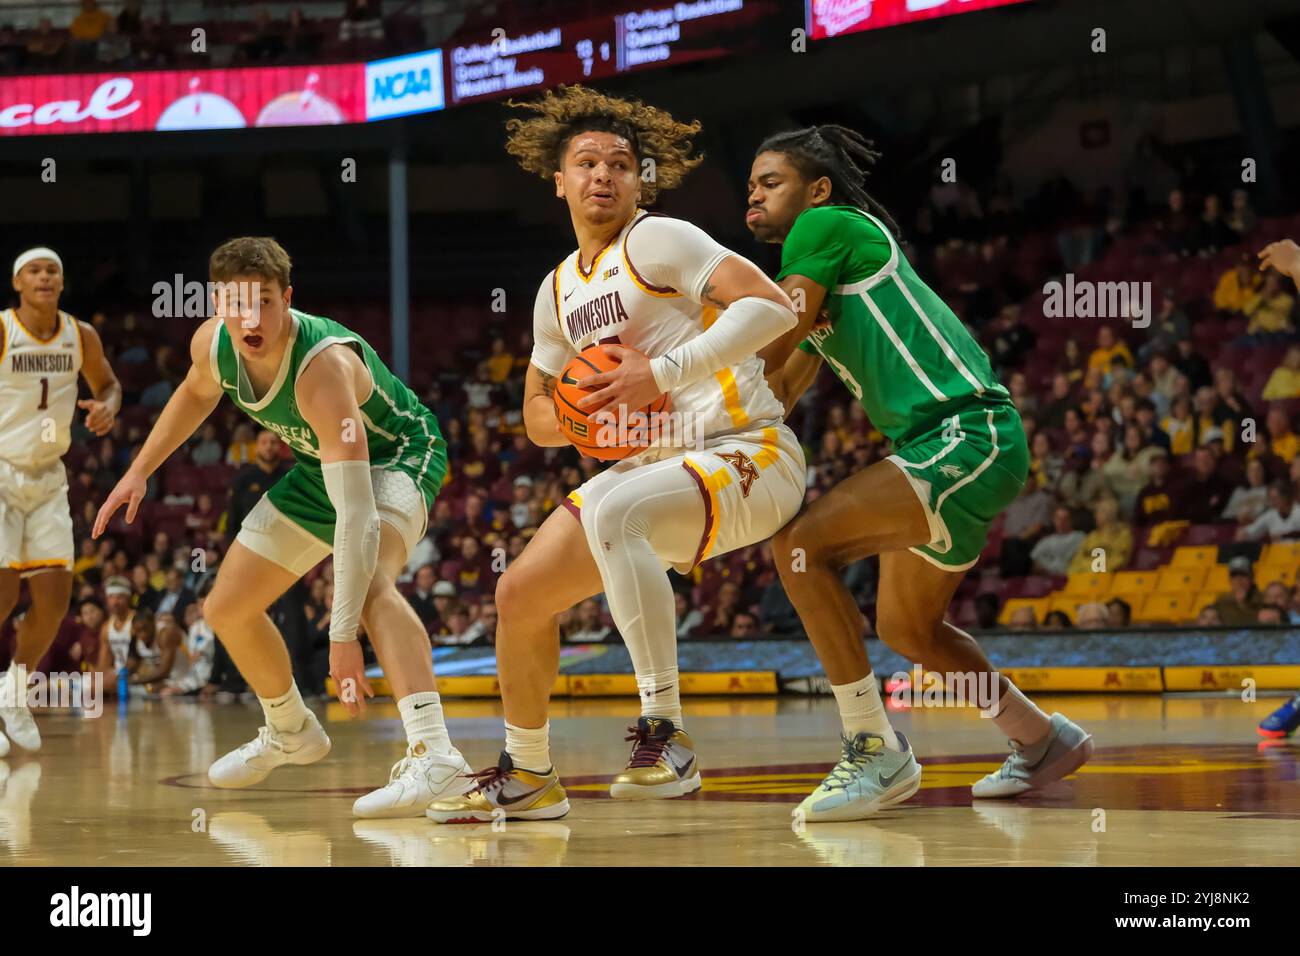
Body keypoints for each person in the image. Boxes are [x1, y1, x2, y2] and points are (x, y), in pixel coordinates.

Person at [429, 86, 806, 824]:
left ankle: (665, 732)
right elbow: (538, 413)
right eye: (588, 162)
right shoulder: (555, 292)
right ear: (559, 179)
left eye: (622, 164)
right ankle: (530, 773)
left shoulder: (659, 240)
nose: (604, 175)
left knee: (616, 508)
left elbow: (771, 307)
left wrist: (656, 376)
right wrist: (583, 420)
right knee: (520, 594)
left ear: (642, 181)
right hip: (650, 472)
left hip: (747, 451)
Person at [742, 124, 1092, 822]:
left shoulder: (826, 224)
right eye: (749, 185)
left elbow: (774, 332)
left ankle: (874, 748)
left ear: (815, 189)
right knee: (909, 629)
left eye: (769, 181)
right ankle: (1040, 738)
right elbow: (774, 387)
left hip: (964, 433)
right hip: (952, 449)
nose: (752, 195)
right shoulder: (813, 286)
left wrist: (675, 363)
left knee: (800, 548)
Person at [94, 237, 472, 819]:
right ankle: (290, 728)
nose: (251, 317)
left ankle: (439, 759)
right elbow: (196, 394)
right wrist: (139, 471)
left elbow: (358, 515)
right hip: (320, 464)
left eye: (264, 301)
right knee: (226, 608)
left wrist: (341, 640)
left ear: (287, 299)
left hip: (395, 457)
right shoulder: (212, 344)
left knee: (371, 589)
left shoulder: (321, 369)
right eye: (237, 302)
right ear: (216, 303)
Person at [0, 248, 121, 757]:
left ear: (62, 283)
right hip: (2, 472)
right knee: (4, 598)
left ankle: (12, 692)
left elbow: (109, 385)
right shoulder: (4, 330)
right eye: (35, 271)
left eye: (52, 271)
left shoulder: (81, 335)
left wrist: (108, 408)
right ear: (18, 284)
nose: (45, 277)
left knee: (53, 602)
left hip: (50, 476)